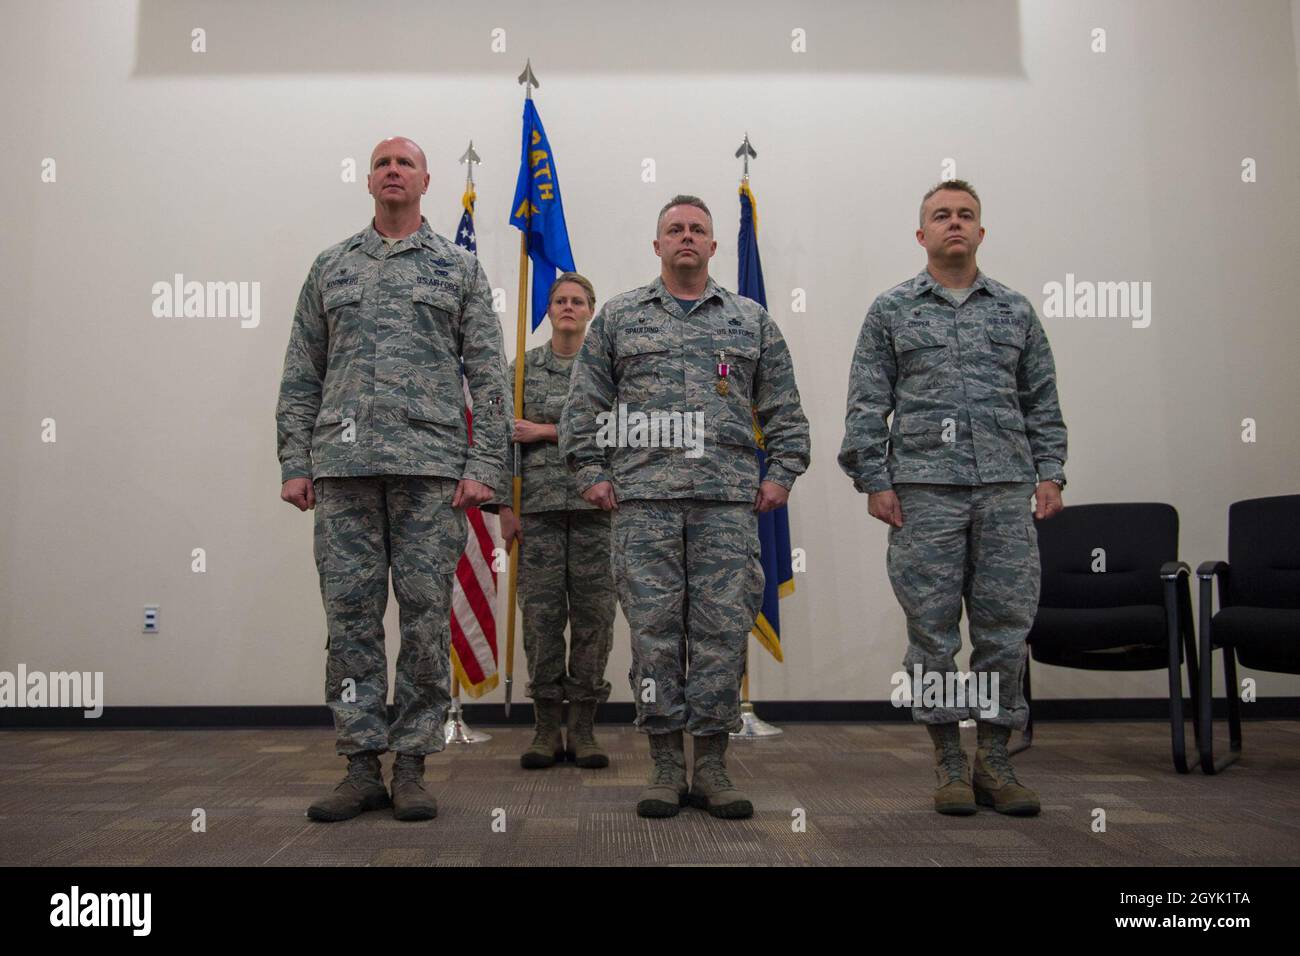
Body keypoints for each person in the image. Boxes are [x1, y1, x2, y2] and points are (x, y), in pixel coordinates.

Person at [276, 136, 508, 823]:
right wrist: (295, 460)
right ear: (367, 180)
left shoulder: (457, 269)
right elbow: (301, 372)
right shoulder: (331, 267)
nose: (393, 172)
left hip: (430, 472)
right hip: (343, 473)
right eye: (382, 163)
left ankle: (411, 765)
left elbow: (489, 378)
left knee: (426, 621)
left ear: (426, 180)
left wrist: (484, 466)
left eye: (405, 163)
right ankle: (359, 767)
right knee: (349, 621)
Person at [560, 195, 810, 819]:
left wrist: (780, 474)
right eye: (675, 229)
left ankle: (715, 766)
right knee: (654, 640)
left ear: (715, 245)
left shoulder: (751, 321)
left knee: (722, 636)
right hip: (643, 505)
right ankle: (667, 766)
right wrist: (590, 474)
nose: (687, 238)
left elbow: (785, 411)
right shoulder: (618, 317)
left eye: (698, 229)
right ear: (657, 245)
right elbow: (583, 407)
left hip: (726, 506)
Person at [838, 179, 1067, 817]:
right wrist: (874, 480)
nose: (955, 224)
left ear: (981, 232)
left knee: (1002, 632)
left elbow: (1041, 402)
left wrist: (1050, 474)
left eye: (966, 215)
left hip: (1004, 492)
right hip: (924, 496)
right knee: (933, 635)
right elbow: (866, 403)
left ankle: (993, 762)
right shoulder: (891, 310)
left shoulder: (1015, 311)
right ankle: (948, 763)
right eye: (942, 216)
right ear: (922, 234)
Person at [497, 273, 618, 770]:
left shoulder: (609, 371)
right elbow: (501, 438)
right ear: (547, 310)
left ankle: (585, 729)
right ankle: (546, 728)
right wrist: (505, 508)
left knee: (595, 623)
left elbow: (615, 431)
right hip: (538, 514)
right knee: (543, 624)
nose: (569, 308)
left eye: (578, 301)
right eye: (560, 301)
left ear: (591, 310)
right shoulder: (521, 370)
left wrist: (545, 430)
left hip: (598, 512)